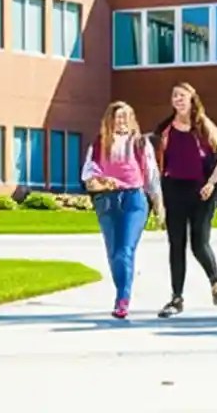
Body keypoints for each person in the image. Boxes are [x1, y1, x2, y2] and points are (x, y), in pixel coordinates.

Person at [81, 101, 164, 319]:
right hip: (107, 201)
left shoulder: (140, 144)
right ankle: (122, 290)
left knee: (125, 250)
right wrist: (101, 180)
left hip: (134, 200)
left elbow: (152, 176)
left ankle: (122, 299)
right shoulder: (99, 144)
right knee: (113, 253)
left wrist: (159, 205)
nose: (122, 120)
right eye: (118, 116)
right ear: (110, 119)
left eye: (126, 116)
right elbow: (88, 173)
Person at [153, 82, 217, 319]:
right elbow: (156, 161)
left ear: (192, 99)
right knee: (176, 245)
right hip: (173, 189)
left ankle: (214, 279)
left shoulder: (203, 126)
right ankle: (176, 298)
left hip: (201, 192)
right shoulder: (165, 129)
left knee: (199, 243)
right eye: (174, 95)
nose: (178, 99)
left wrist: (211, 184)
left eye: (182, 96)